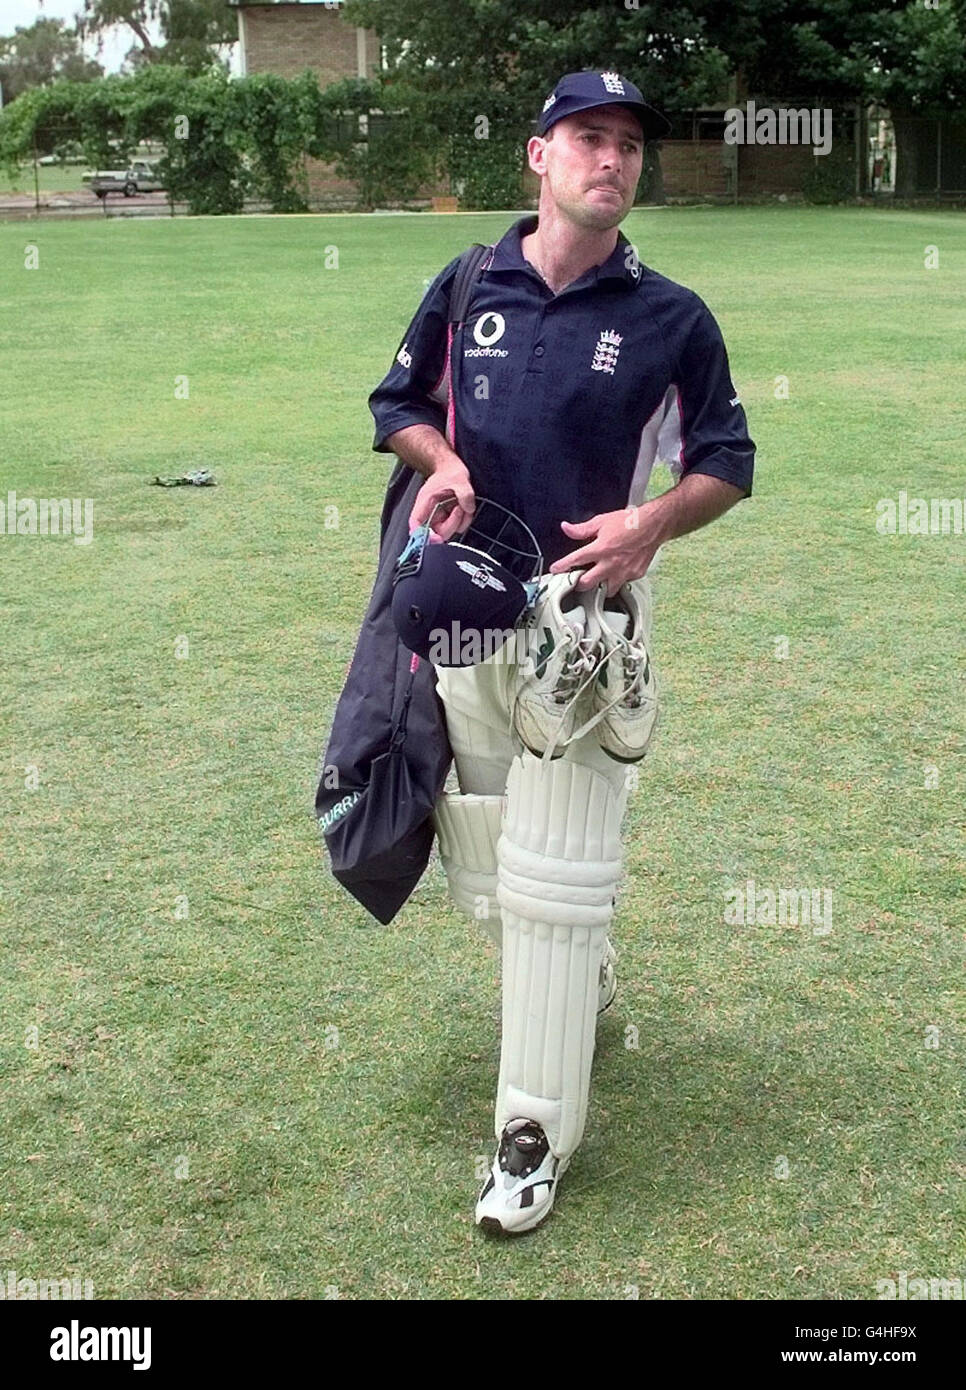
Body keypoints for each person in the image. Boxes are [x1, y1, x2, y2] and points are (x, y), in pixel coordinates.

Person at [368, 70, 756, 1234]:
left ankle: (529, 1137)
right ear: (539, 156)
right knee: (497, 872)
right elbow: (397, 402)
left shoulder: (673, 317)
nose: (614, 160)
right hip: (470, 609)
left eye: (631, 146)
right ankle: (579, 974)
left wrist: (650, 524)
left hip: (588, 631)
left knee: (554, 885)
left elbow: (728, 461)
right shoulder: (468, 280)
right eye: (591, 138)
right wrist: (438, 462)